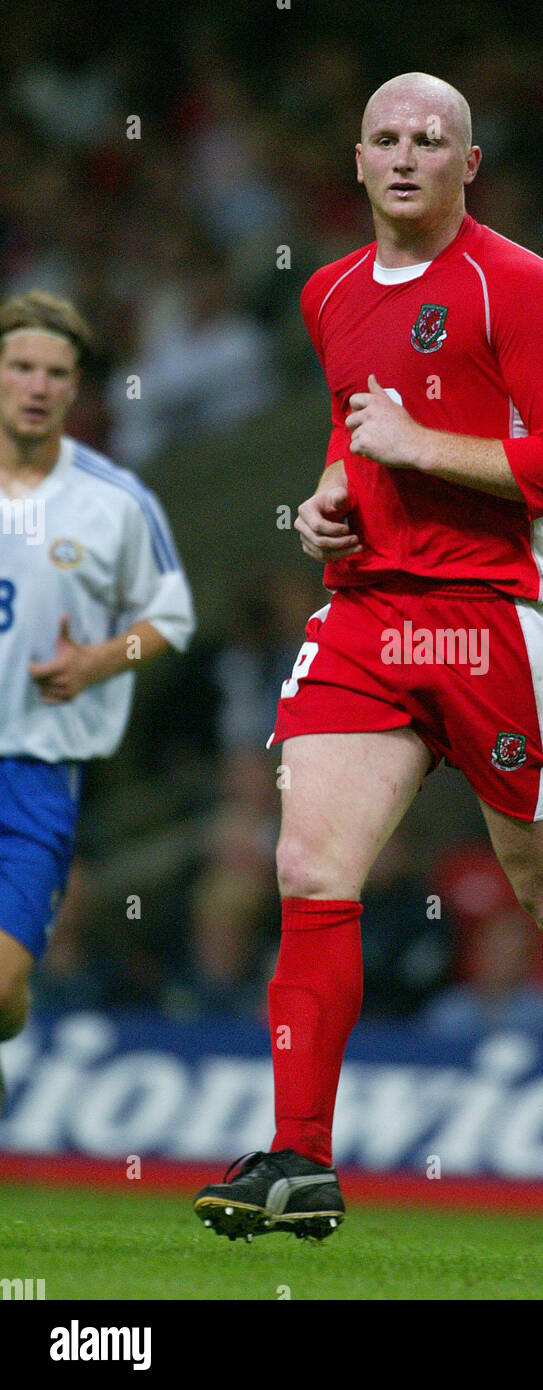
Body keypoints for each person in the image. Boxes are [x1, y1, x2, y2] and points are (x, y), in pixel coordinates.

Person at [194, 73, 543, 1242]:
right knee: (309, 864)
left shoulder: (520, 284)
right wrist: (325, 498)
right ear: (355, 161)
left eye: (433, 139)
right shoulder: (330, 293)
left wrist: (418, 442)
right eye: (388, 139)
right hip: (368, 617)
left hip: (499, 616)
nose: (408, 156)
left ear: (469, 165)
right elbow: (353, 427)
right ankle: (301, 1157)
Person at [0, 290, 195, 1103]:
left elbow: (173, 616)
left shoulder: (114, 500)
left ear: (74, 389)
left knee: (3, 990)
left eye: (56, 373)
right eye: (21, 368)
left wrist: (100, 661)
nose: (38, 386)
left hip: (39, 773)